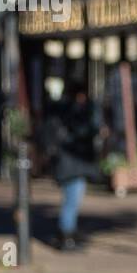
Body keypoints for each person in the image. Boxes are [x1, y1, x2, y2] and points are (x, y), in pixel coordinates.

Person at [46, 84, 98, 251]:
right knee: (71, 202)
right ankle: (66, 237)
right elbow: (82, 133)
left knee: (70, 201)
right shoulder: (73, 114)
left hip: (66, 165)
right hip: (71, 166)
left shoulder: (59, 111)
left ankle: (67, 235)